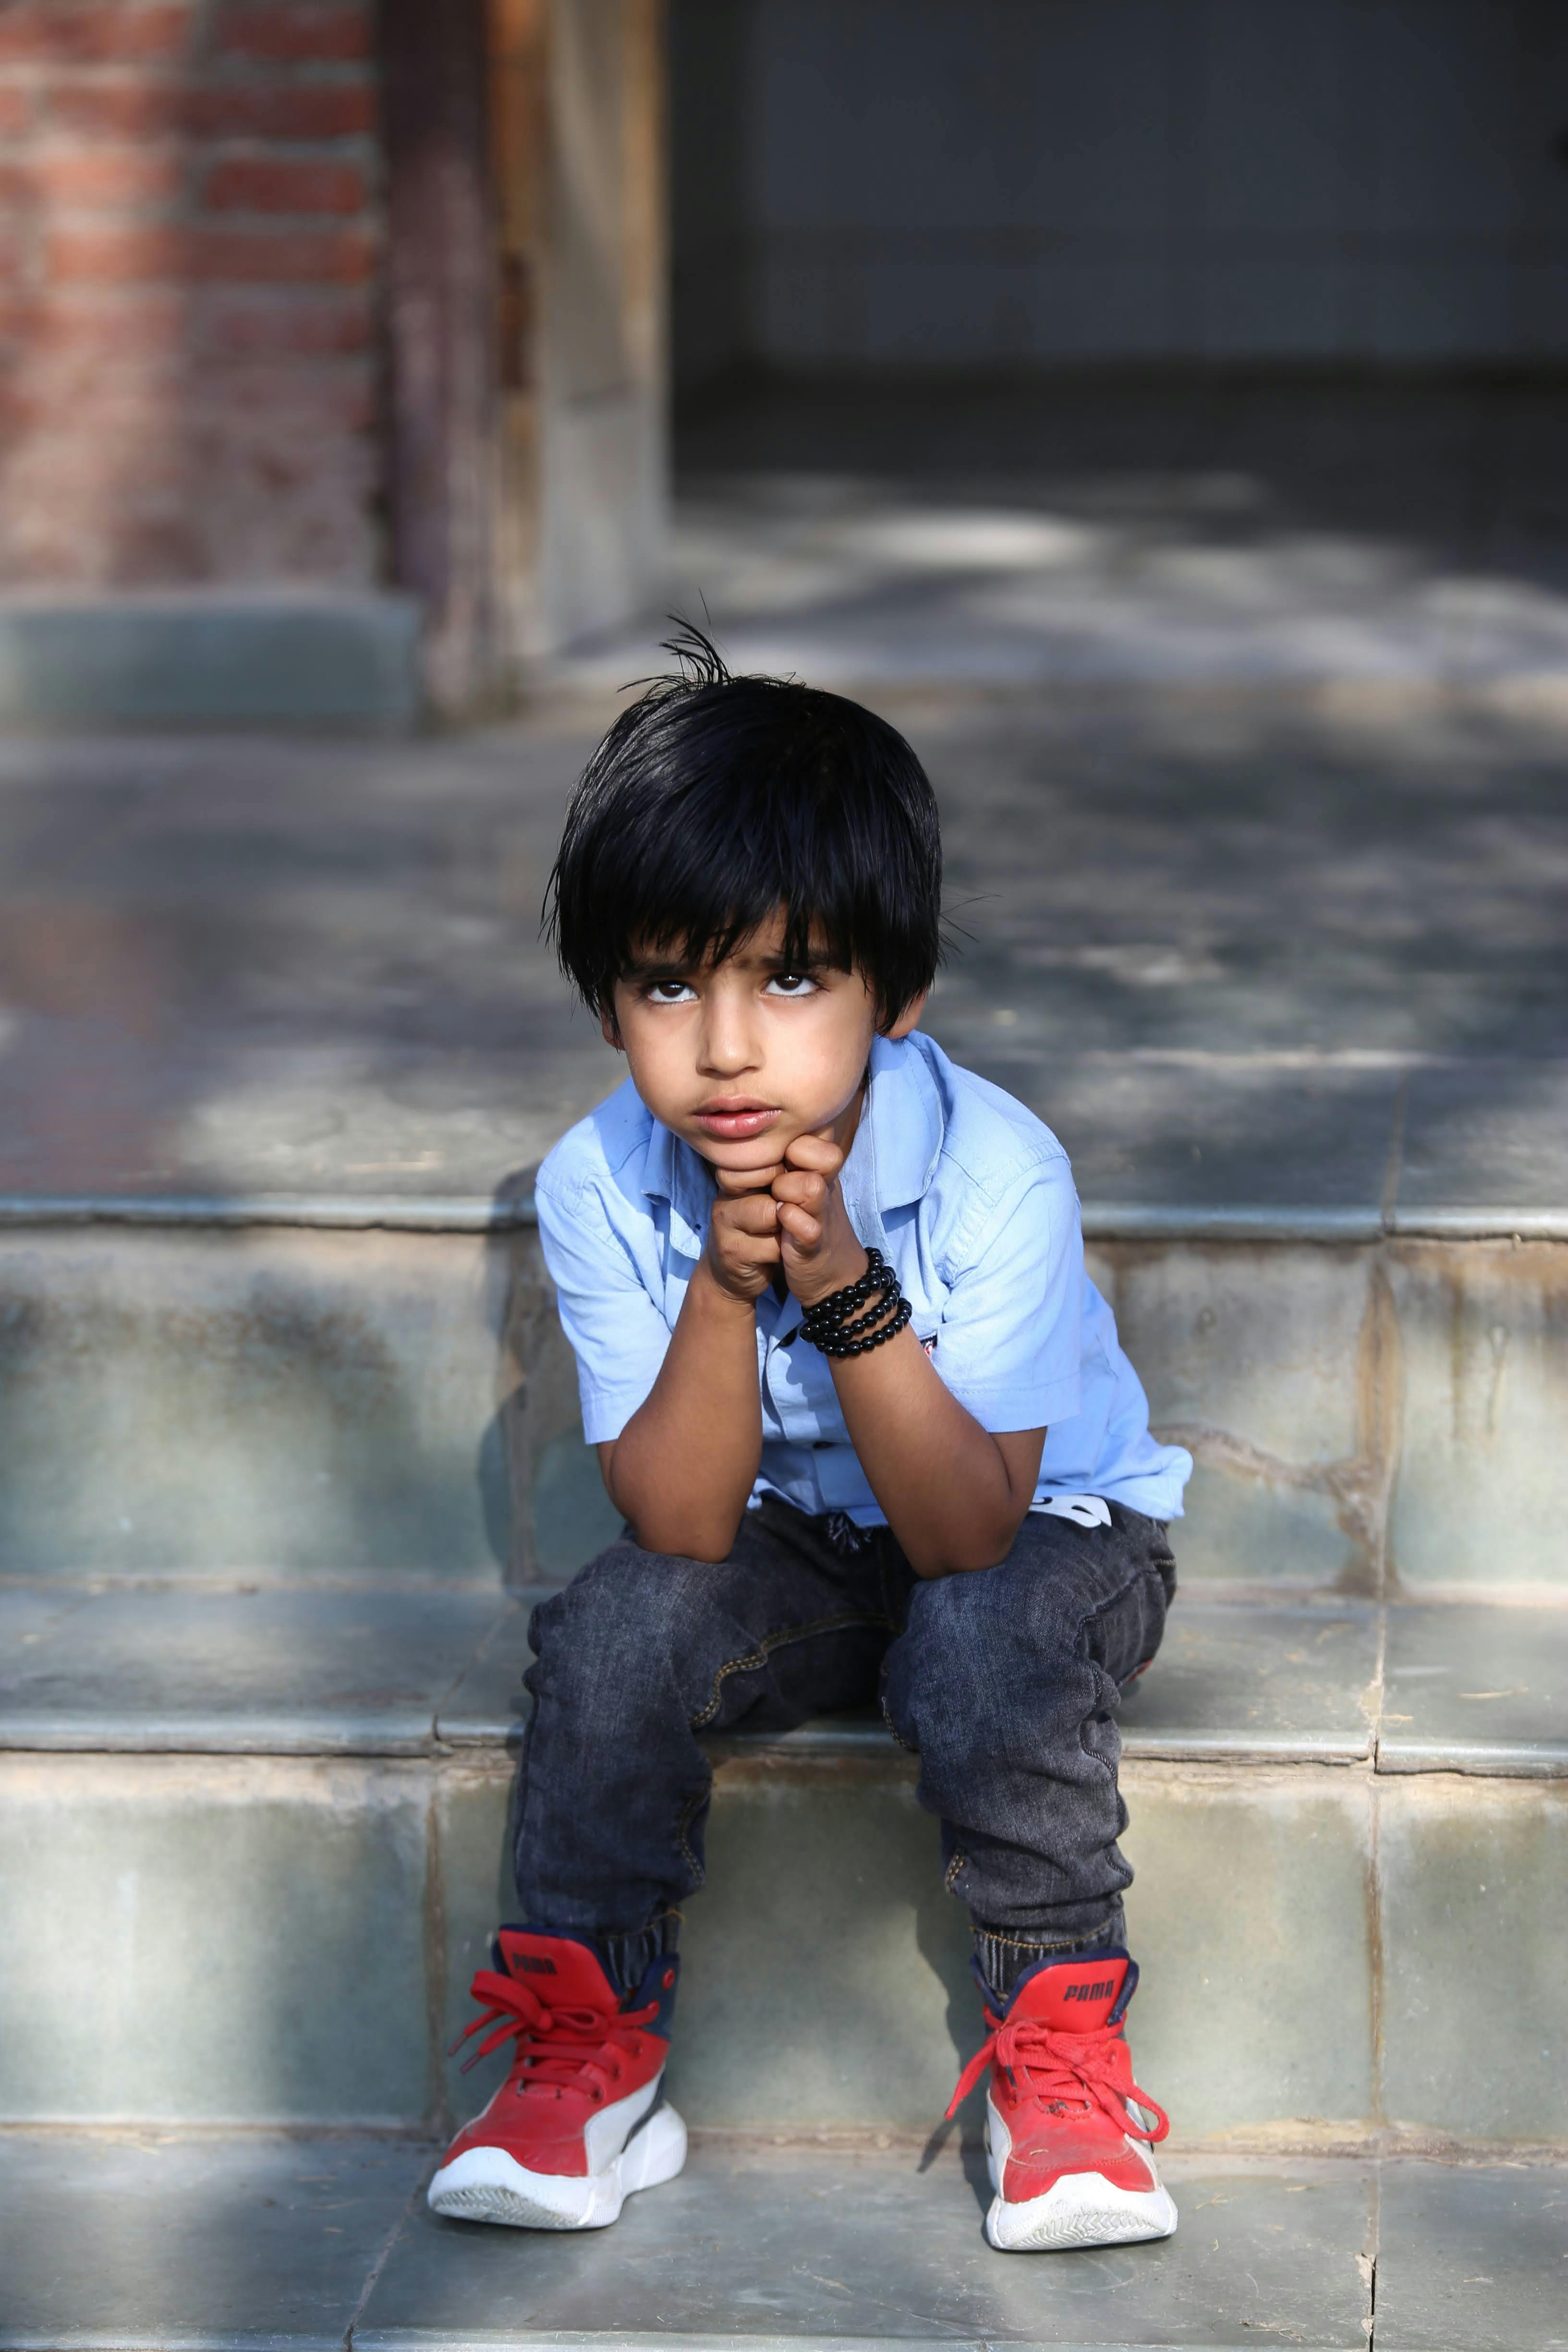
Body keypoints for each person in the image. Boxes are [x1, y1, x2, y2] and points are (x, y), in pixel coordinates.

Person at [427, 633, 1191, 2253]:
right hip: (787, 1543)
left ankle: (1057, 2065)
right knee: (615, 1626)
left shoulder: (997, 1167)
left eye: (787, 978)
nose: (719, 1048)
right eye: (661, 982)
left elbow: (971, 1532)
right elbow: (683, 1524)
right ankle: (591, 2054)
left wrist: (839, 1280)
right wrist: (724, 1275)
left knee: (979, 1644)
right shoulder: (601, 1181)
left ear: (892, 994)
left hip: (1036, 1523)